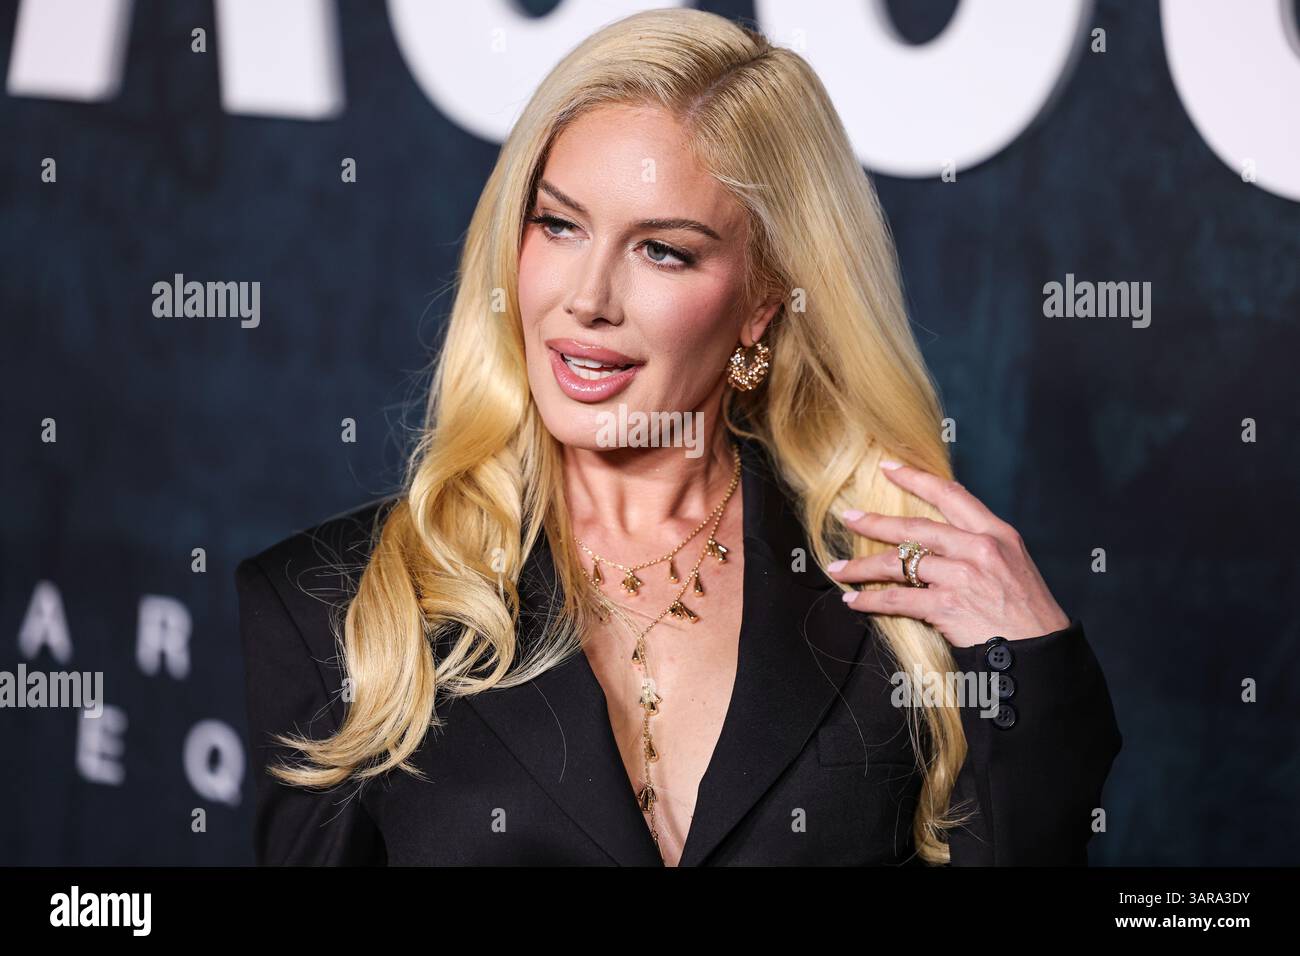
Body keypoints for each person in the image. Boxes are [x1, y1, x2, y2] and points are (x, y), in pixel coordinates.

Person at [236, 7, 1121, 867]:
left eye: (663, 250)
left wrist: (1031, 669)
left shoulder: (884, 597)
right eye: (559, 224)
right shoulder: (337, 608)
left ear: (762, 304)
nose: (587, 299)